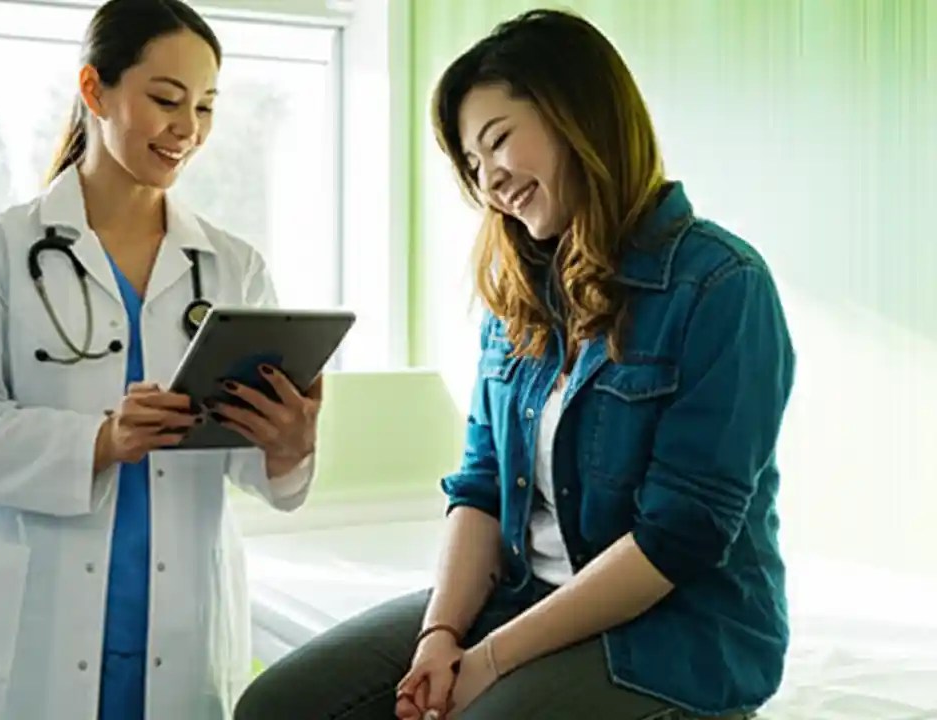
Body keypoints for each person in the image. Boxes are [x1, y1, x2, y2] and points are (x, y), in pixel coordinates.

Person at [235, 8, 794, 720]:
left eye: (498, 142)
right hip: (525, 594)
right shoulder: (521, 296)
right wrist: (441, 635)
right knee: (278, 707)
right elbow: (482, 485)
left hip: (675, 634)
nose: (489, 181)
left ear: (577, 115)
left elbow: (677, 537)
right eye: (472, 165)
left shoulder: (723, 286)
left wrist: (493, 657)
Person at [0, 1, 321, 718]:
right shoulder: (0, 251)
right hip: (30, 636)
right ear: (95, 90)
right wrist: (101, 441)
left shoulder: (233, 266)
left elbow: (255, 469)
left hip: (180, 628)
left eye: (204, 107)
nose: (188, 130)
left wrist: (288, 447)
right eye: (165, 100)